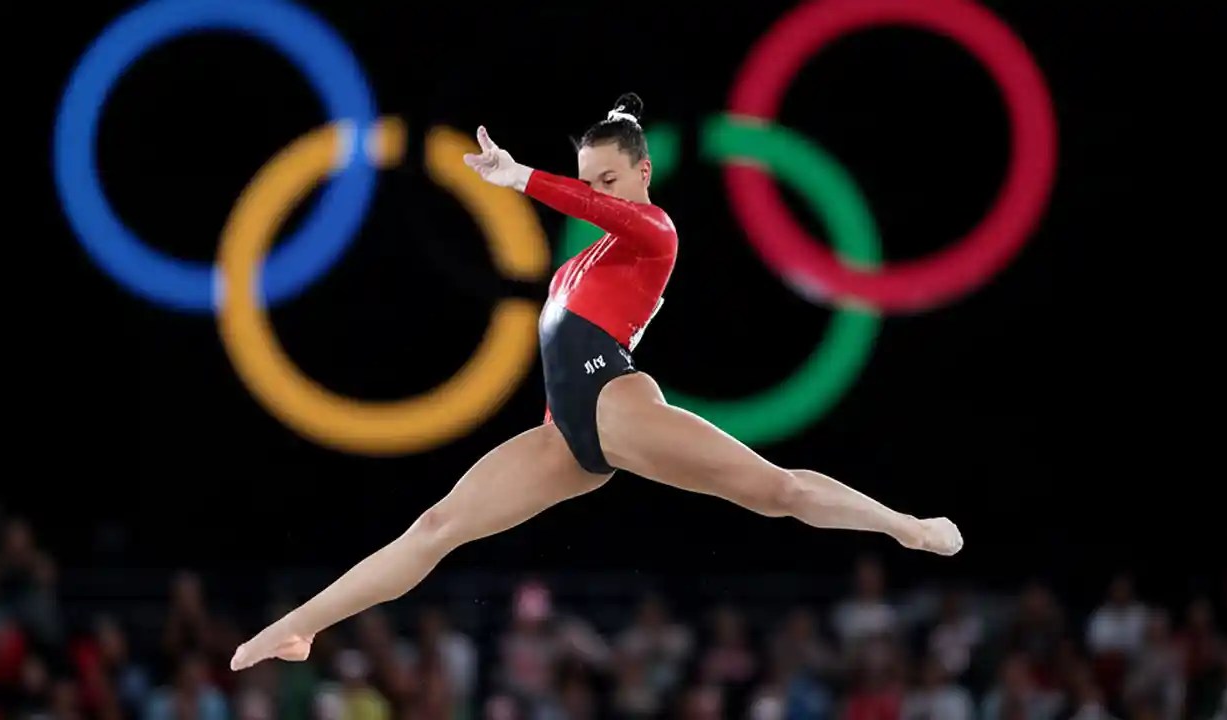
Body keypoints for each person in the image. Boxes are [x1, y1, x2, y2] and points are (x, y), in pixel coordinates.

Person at [229, 93, 963, 671]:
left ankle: (907, 527)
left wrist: (520, 178)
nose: (598, 195)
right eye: (589, 183)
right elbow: (584, 248)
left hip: (617, 401)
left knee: (777, 492)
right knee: (435, 527)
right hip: (564, 433)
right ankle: (301, 628)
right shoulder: (572, 267)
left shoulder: (658, 233)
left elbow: (600, 219)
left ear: (642, 174)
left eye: (609, 182)